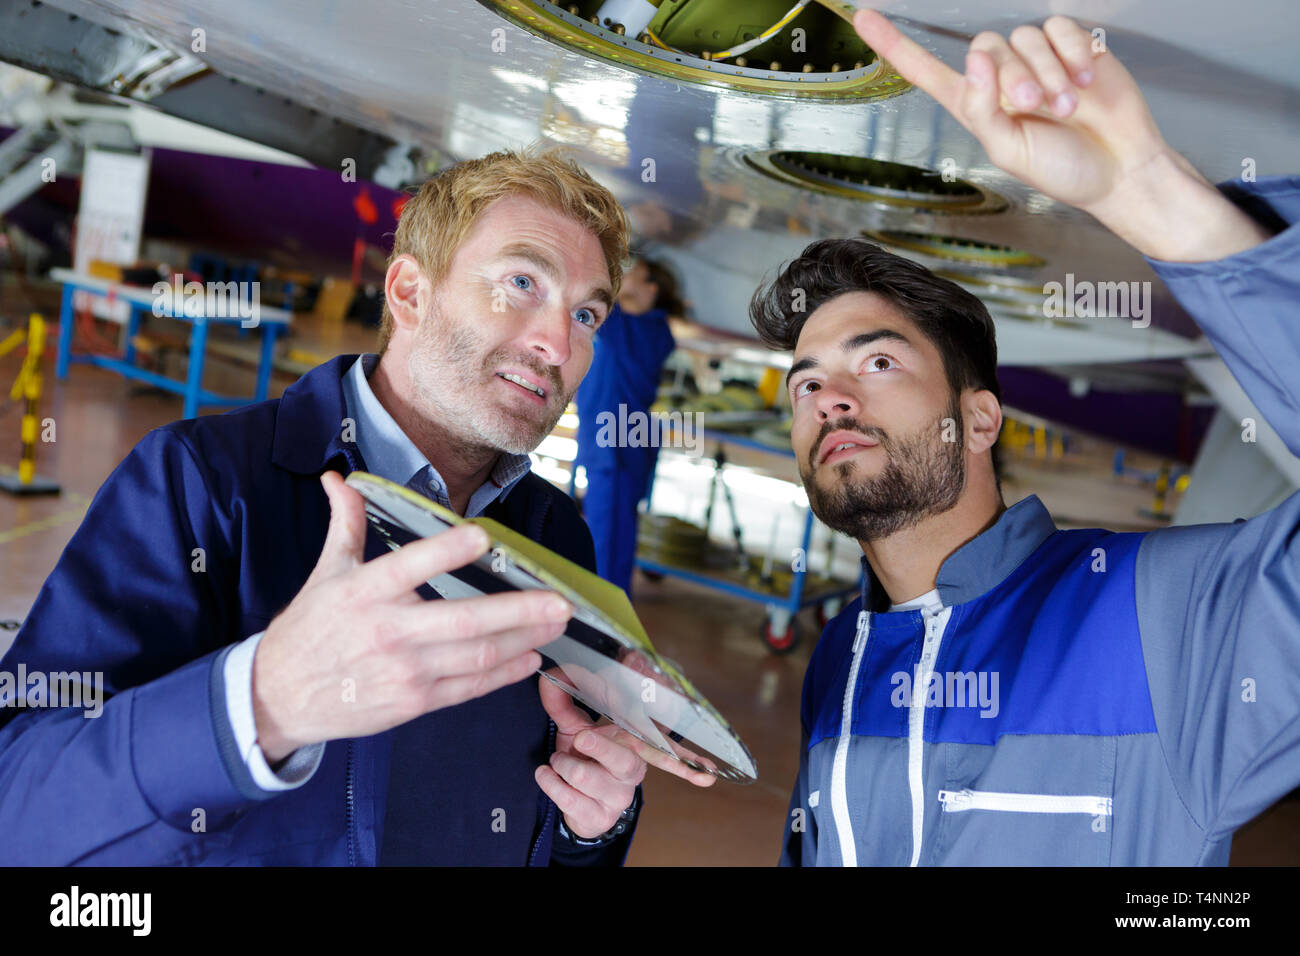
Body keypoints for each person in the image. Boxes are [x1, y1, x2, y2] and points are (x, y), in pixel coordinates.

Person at [0, 147, 712, 866]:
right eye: (522, 282)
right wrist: (261, 700)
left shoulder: (556, 536)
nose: (558, 344)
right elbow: (20, 808)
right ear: (407, 293)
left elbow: (543, 830)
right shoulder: (201, 482)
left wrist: (589, 830)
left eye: (586, 315)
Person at [759, 13, 1299, 865]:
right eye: (807, 383)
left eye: (880, 362)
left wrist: (1154, 197)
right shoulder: (843, 656)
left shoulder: (1159, 618)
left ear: (978, 418)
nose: (828, 397)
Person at [575, 257, 680, 596]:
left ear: (651, 290)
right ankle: (610, 607)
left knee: (607, 538)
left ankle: (604, 614)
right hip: (611, 443)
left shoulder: (644, 329)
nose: (626, 272)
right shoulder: (638, 326)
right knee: (611, 532)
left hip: (616, 448)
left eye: (636, 273)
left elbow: (598, 295)